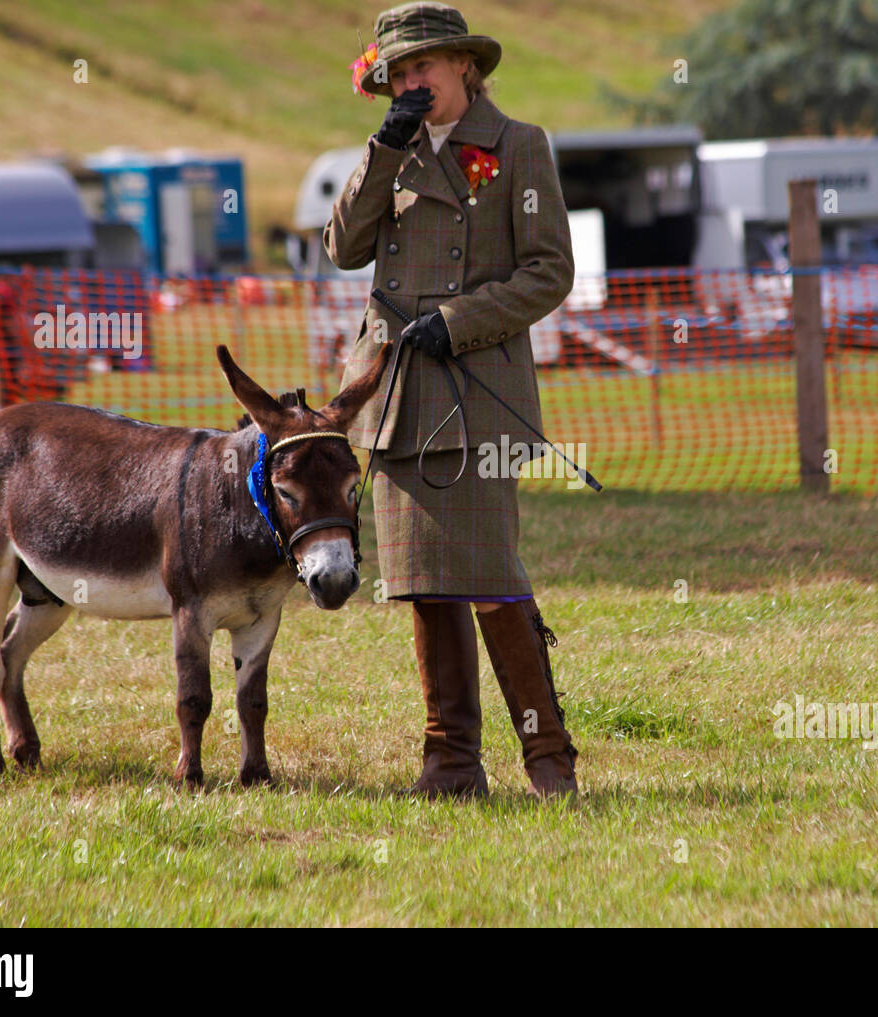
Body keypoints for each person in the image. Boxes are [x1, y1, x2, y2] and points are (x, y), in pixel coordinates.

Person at [323, 2, 579, 798]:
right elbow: (342, 249)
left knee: (490, 575)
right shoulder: (391, 152)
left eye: (423, 67)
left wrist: (458, 321)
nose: (410, 82)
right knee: (421, 583)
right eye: (397, 72)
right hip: (395, 391)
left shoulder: (519, 146)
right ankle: (451, 764)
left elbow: (548, 272)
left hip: (476, 388)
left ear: (466, 66)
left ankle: (547, 759)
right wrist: (383, 146)